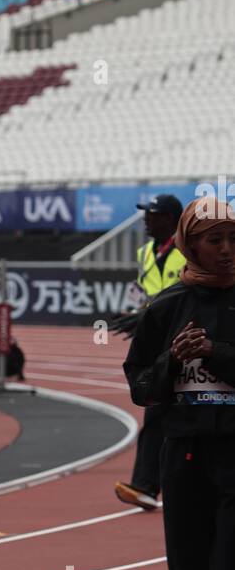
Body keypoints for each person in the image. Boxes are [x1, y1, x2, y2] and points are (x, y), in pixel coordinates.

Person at [124, 195, 235, 570]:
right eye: (214, 240)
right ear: (192, 243)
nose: (226, 250)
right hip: (184, 458)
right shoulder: (166, 307)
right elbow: (141, 387)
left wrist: (214, 352)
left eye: (233, 240)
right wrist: (173, 360)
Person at [115, 193, 186, 511]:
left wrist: (145, 316)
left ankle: (148, 485)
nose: (146, 219)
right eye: (145, 213)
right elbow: (149, 297)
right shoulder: (145, 252)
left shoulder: (189, 249)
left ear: (171, 219)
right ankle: (148, 485)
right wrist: (140, 316)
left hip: (182, 340)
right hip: (157, 343)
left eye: (153, 214)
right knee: (158, 413)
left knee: (162, 415)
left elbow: (186, 295)